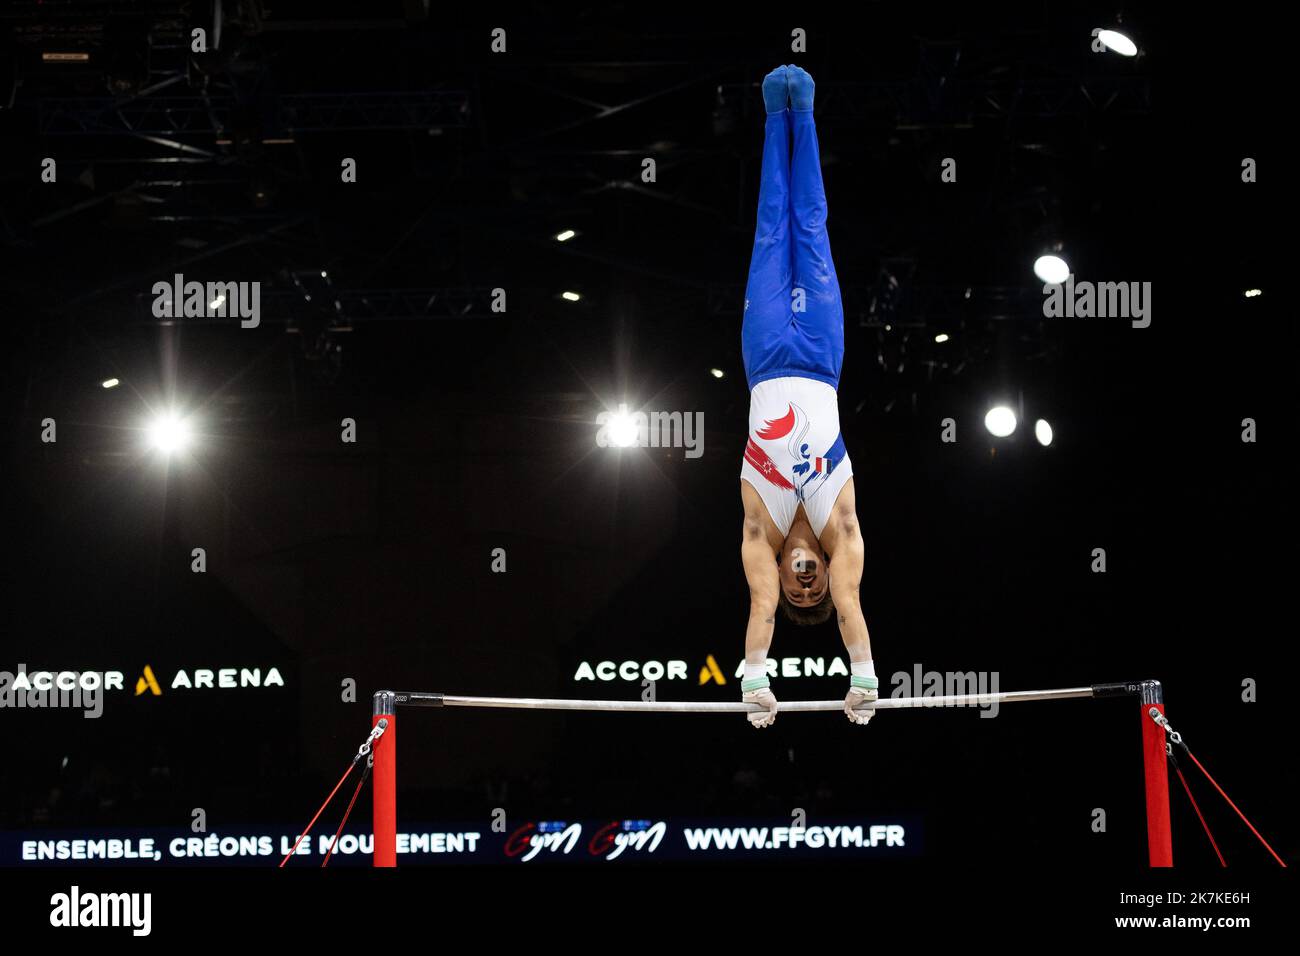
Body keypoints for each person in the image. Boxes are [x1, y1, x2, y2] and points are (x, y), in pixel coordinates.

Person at [739, 65, 876, 729]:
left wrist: (755, 677)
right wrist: (864, 677)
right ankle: (806, 112)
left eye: (799, 591)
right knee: (811, 228)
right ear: (823, 569)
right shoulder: (838, 529)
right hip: (821, 358)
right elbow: (850, 605)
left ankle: (774, 118)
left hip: (764, 358)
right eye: (813, 583)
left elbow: (760, 607)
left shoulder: (761, 535)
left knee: (772, 229)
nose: (804, 582)